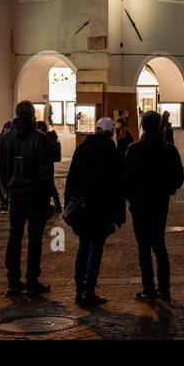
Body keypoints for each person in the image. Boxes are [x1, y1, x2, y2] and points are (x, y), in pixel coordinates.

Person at [64, 116, 125, 307]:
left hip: (82, 208)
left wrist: (68, 204)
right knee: (96, 248)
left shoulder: (81, 149)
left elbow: (71, 179)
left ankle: (78, 289)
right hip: (102, 209)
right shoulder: (113, 153)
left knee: (83, 246)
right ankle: (89, 290)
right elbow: (118, 187)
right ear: (111, 133)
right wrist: (118, 214)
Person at [0, 101, 55, 296]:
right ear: (32, 116)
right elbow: (47, 173)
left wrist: (8, 190)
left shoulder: (5, 139)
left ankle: (13, 280)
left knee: (15, 236)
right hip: (35, 195)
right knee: (34, 238)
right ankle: (31, 280)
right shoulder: (41, 139)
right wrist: (47, 198)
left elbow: (1, 169)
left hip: (16, 195)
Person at [125, 110, 184, 300]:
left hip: (139, 203)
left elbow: (126, 178)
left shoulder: (134, 149)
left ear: (143, 125)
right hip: (160, 202)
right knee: (159, 244)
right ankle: (164, 288)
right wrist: (167, 189)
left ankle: (148, 288)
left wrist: (131, 196)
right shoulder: (169, 149)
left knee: (143, 247)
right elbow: (179, 178)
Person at [38, 120, 64, 213]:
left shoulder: (44, 138)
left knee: (50, 186)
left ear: (40, 128)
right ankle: (56, 206)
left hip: (45, 167)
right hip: (49, 166)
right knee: (51, 186)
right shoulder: (48, 137)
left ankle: (53, 206)